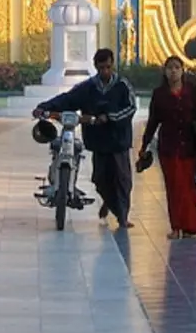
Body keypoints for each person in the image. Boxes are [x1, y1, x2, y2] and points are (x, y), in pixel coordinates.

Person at [33, 48, 137, 229]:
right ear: (96, 66)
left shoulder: (122, 85)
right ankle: (110, 202)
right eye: (101, 67)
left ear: (113, 65)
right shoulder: (88, 88)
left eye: (108, 67)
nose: (105, 71)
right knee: (100, 179)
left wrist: (110, 117)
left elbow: (131, 108)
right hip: (98, 142)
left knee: (122, 180)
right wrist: (44, 107)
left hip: (118, 141)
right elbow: (67, 99)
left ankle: (122, 216)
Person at [140, 55, 196, 239]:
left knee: (188, 186)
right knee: (173, 187)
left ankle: (191, 225)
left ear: (182, 71)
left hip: (189, 146)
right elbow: (152, 122)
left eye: (176, 67)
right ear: (165, 72)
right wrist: (145, 144)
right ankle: (176, 226)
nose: (173, 71)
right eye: (169, 68)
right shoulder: (159, 94)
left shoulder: (192, 91)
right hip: (168, 147)